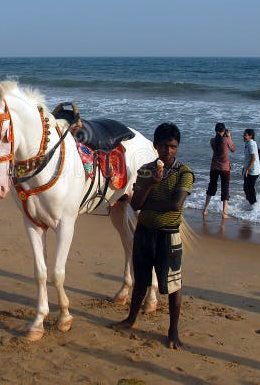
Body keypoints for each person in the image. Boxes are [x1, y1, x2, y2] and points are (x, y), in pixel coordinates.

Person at [111, 123, 193, 350]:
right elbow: (136, 203)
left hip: (169, 235)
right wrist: (149, 185)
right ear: (155, 146)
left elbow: (175, 205)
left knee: (174, 286)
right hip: (145, 233)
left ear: (177, 148)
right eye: (164, 146)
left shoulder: (184, 172)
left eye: (173, 147)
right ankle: (131, 318)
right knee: (140, 281)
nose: (168, 151)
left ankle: (173, 331)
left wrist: (147, 203)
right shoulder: (146, 170)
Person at [203, 123, 235, 218]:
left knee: (212, 186)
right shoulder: (226, 140)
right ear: (224, 131)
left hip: (214, 167)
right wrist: (229, 137)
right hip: (225, 168)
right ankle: (224, 213)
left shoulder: (212, 140)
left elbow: (218, 147)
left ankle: (205, 209)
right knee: (225, 188)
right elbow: (233, 149)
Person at [242, 128, 260, 205]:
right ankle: (250, 204)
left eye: (245, 135)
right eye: (244, 134)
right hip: (249, 168)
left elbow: (253, 158)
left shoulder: (251, 144)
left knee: (250, 188)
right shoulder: (247, 143)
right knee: (246, 188)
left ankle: (254, 205)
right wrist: (245, 168)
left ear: (250, 136)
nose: (243, 136)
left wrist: (247, 169)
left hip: (253, 170)